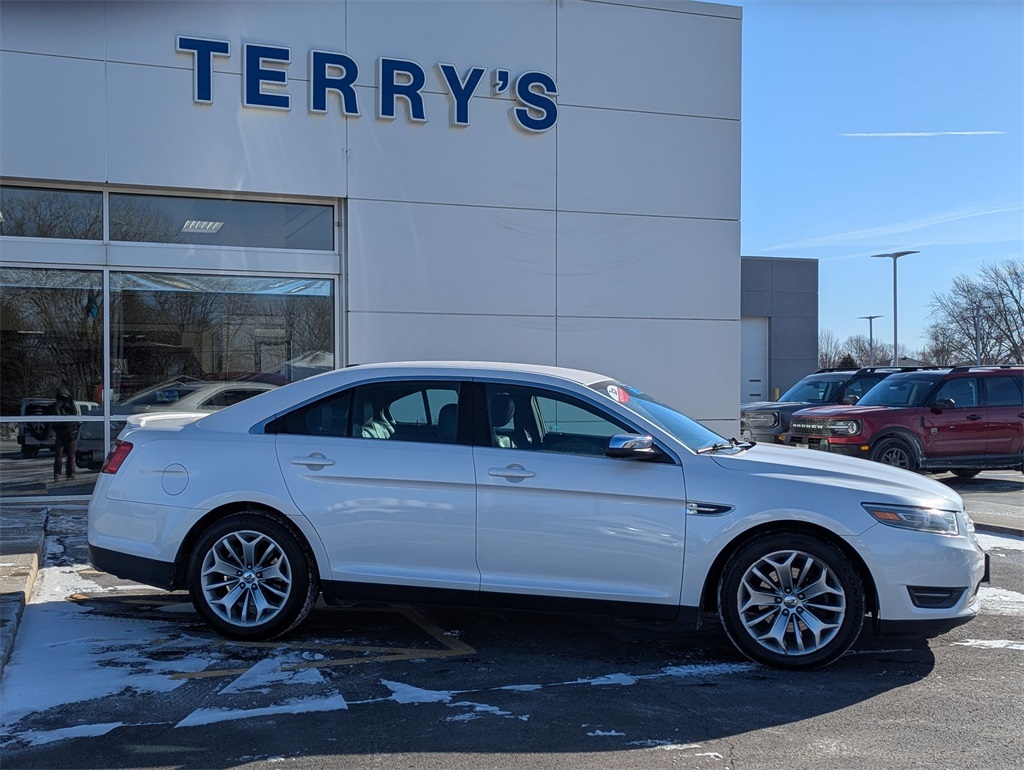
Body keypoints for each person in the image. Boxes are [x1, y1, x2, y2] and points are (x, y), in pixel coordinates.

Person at [52, 386, 80, 482]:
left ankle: (71, 473)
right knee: (58, 454)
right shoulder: (55, 406)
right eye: (61, 398)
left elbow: (74, 416)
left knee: (71, 454)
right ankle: (57, 473)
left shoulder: (71, 406)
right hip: (61, 432)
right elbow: (56, 416)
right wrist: (58, 406)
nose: (63, 400)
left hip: (70, 433)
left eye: (65, 398)